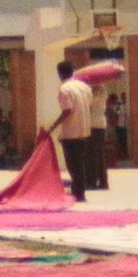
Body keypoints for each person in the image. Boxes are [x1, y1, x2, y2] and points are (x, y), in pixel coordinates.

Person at [44, 60, 93, 203]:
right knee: (80, 164)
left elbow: (67, 111)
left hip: (71, 132)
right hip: (84, 130)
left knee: (73, 165)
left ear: (59, 73)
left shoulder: (65, 89)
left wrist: (52, 127)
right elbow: (88, 104)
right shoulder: (84, 87)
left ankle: (78, 193)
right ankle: (79, 192)